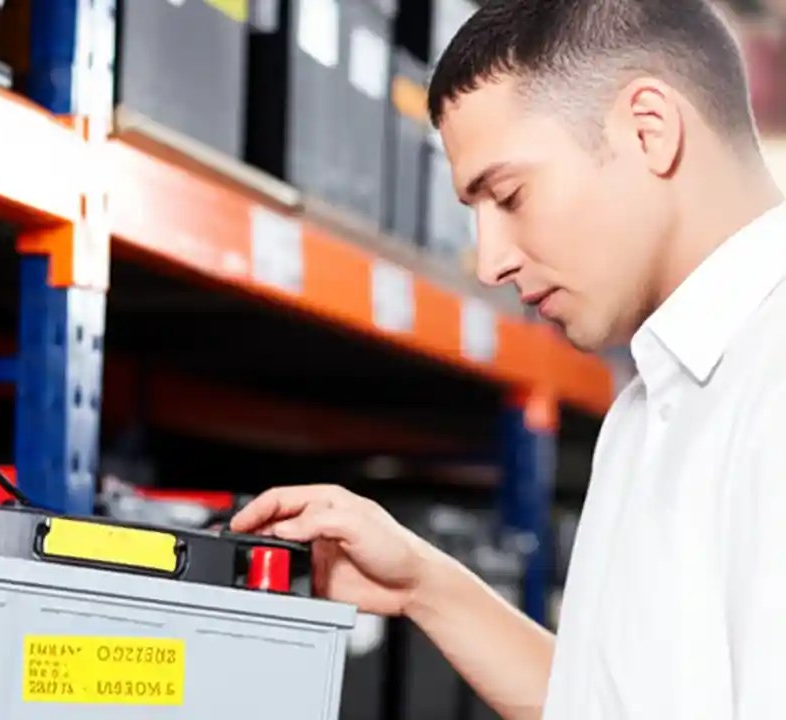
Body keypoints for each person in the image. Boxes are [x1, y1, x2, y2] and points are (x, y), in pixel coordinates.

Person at [231, 1, 786, 718]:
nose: (490, 261)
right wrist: (422, 584)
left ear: (650, 130)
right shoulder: (647, 410)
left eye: (510, 195)